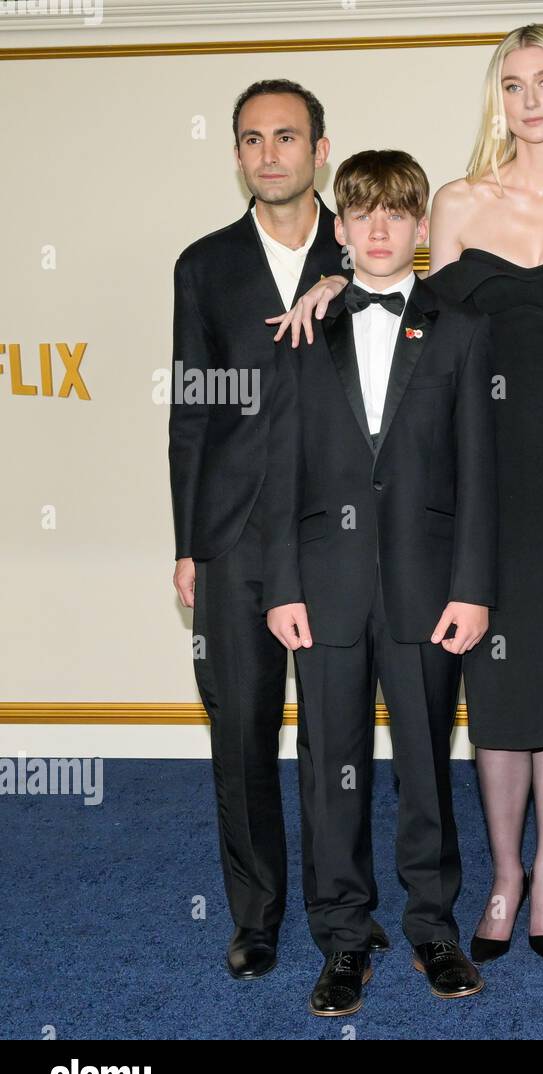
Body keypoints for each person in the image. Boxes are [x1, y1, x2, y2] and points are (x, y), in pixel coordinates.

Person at [275, 23, 543, 964]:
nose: (531, 101)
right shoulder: (453, 201)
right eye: (514, 84)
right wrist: (330, 281)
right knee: (488, 673)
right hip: (472, 468)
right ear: (498, 99)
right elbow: (411, 307)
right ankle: (501, 873)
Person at [261, 149, 497, 1015]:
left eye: (398, 212)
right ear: (340, 227)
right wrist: (280, 585)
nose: (380, 228)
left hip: (428, 585)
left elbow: (480, 472)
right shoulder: (299, 330)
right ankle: (343, 936)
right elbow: (278, 472)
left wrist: (472, 588)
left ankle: (433, 925)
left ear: (422, 227)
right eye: (362, 213)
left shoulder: (463, 329)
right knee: (332, 764)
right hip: (320, 588)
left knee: (427, 760)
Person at [168, 79, 387, 981]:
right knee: (243, 730)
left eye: (287, 136)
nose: (270, 153)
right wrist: (188, 542)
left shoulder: (367, 239)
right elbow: (190, 410)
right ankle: (255, 916)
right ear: (236, 156)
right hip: (235, 536)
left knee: (337, 738)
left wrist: (349, 280)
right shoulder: (203, 265)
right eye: (253, 139)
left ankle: (346, 910)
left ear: (321, 149)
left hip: (337, 533)